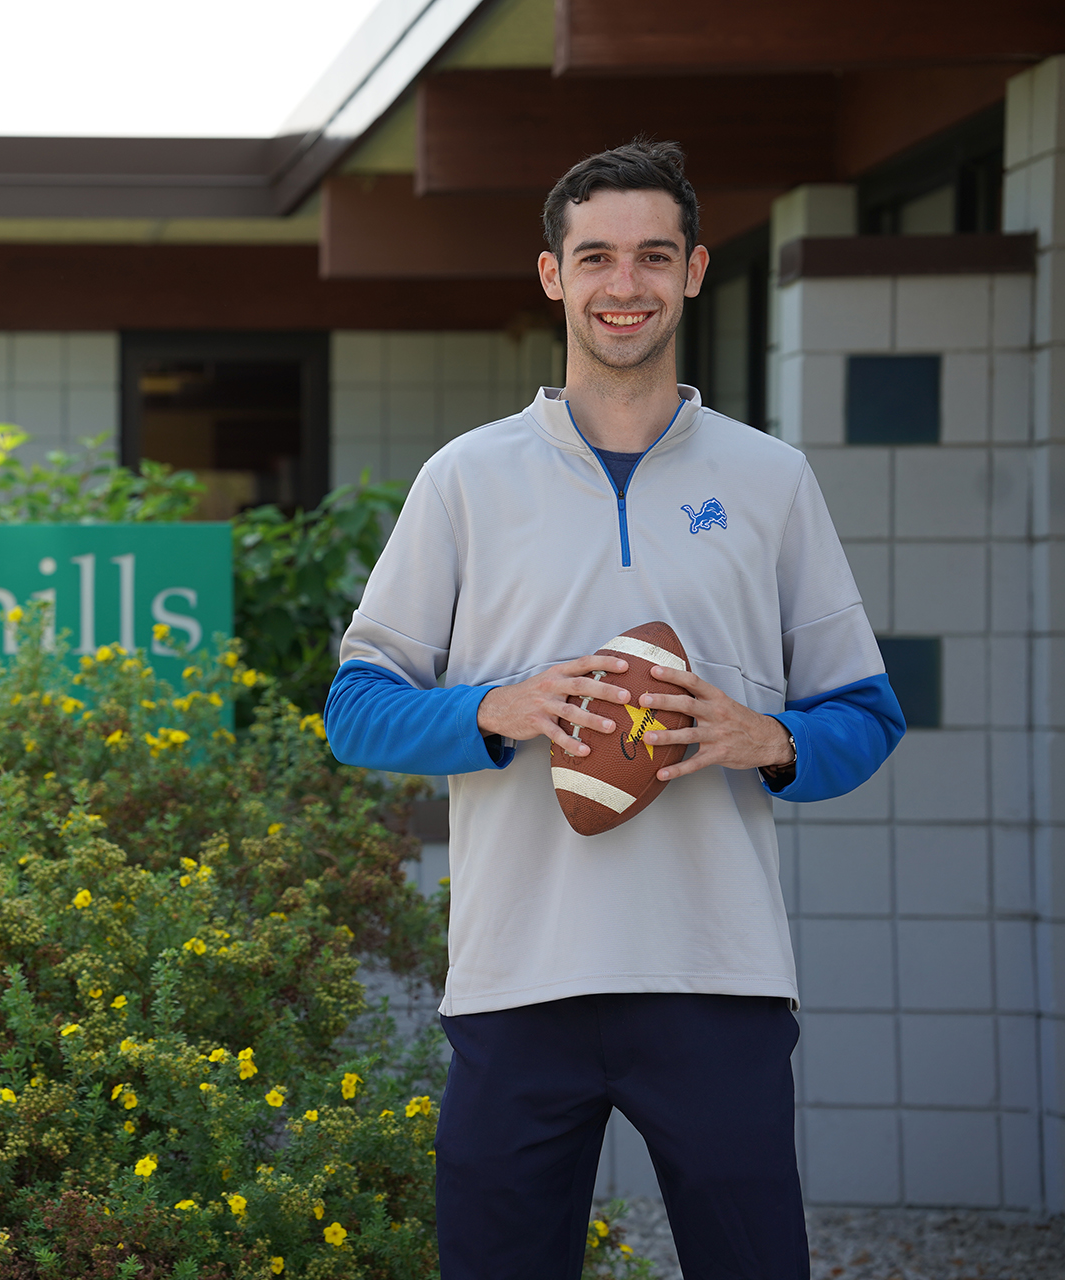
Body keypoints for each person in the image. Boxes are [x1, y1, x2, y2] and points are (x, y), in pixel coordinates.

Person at [324, 140, 905, 1279]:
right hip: (518, 975)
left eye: (652, 255)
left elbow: (869, 713)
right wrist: (495, 708)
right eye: (595, 256)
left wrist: (773, 738)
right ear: (553, 275)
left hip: (717, 974)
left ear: (695, 270)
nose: (623, 284)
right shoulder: (466, 478)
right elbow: (357, 707)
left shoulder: (770, 479)